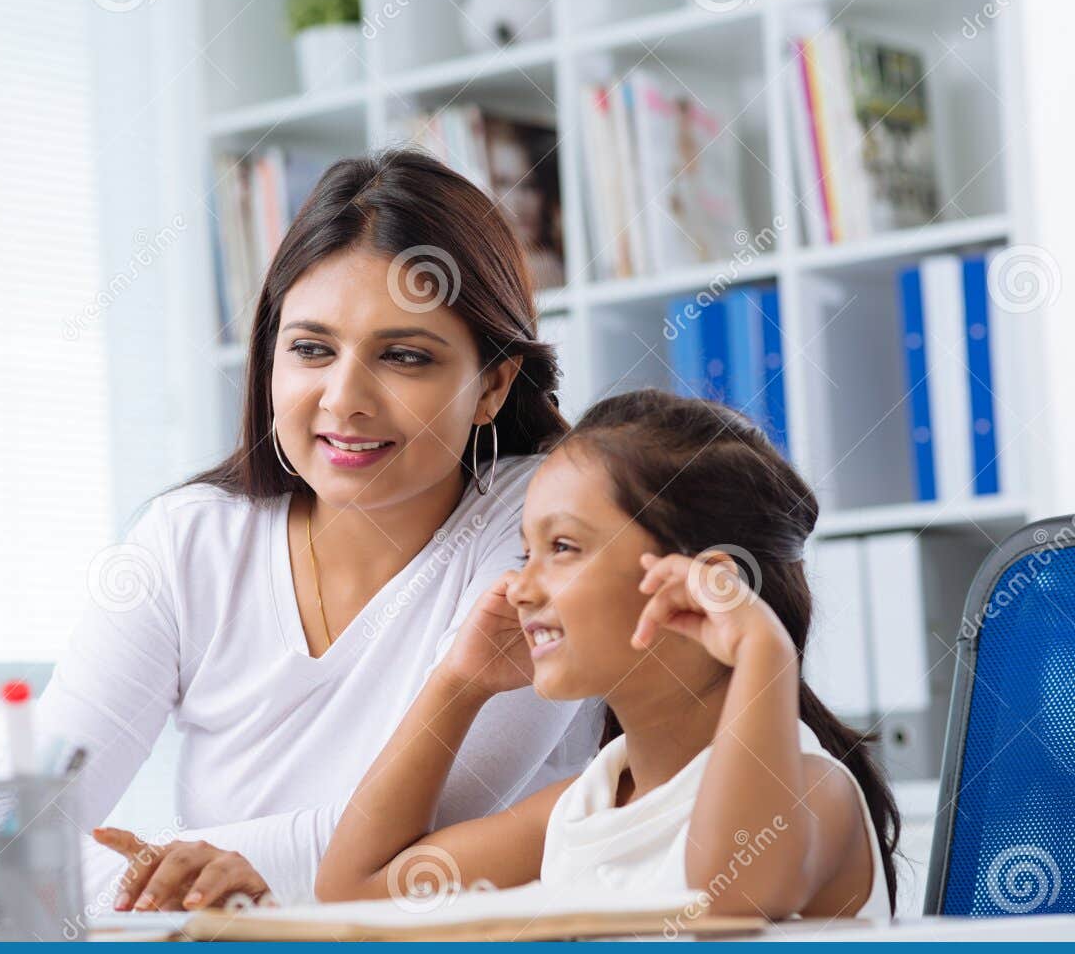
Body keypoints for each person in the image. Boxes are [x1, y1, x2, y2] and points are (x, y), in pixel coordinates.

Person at [38, 149, 601, 911]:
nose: (344, 399)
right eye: (311, 349)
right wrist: (180, 874)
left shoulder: (548, 524)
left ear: (492, 386)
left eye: (403, 356)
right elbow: (25, 835)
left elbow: (411, 841)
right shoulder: (187, 542)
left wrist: (186, 867)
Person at [315, 389, 899, 920]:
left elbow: (731, 904)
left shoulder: (811, 788)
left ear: (710, 588)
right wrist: (458, 683)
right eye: (525, 554)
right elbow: (356, 892)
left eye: (562, 547)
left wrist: (762, 653)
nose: (519, 587)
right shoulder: (586, 806)